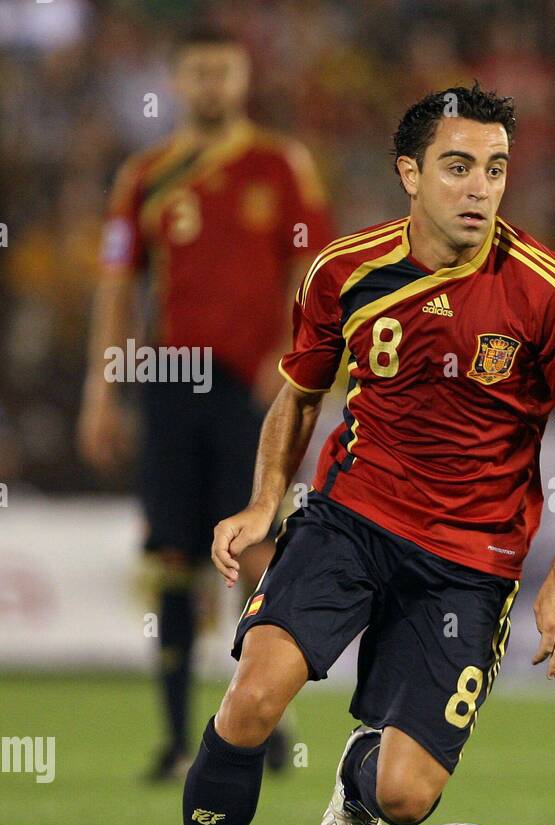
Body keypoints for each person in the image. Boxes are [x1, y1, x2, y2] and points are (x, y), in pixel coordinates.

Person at [136, 84, 555, 825]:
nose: (480, 188)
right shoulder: (344, 271)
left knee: (409, 796)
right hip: (350, 520)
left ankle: (360, 783)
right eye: (458, 167)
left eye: (496, 169)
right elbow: (300, 392)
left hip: (471, 562)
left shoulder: (547, 289)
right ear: (409, 173)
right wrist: (262, 502)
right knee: (253, 698)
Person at [78, 25, 333, 779]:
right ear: (179, 80)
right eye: (198, 71)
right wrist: (101, 387)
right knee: (172, 558)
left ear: (244, 77)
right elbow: (119, 286)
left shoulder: (281, 165)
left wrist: (296, 369)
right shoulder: (147, 175)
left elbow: (313, 271)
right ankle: (174, 737)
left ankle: (259, 724)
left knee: (257, 553)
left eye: (224, 70)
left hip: (250, 389)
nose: (212, 84)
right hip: (167, 382)